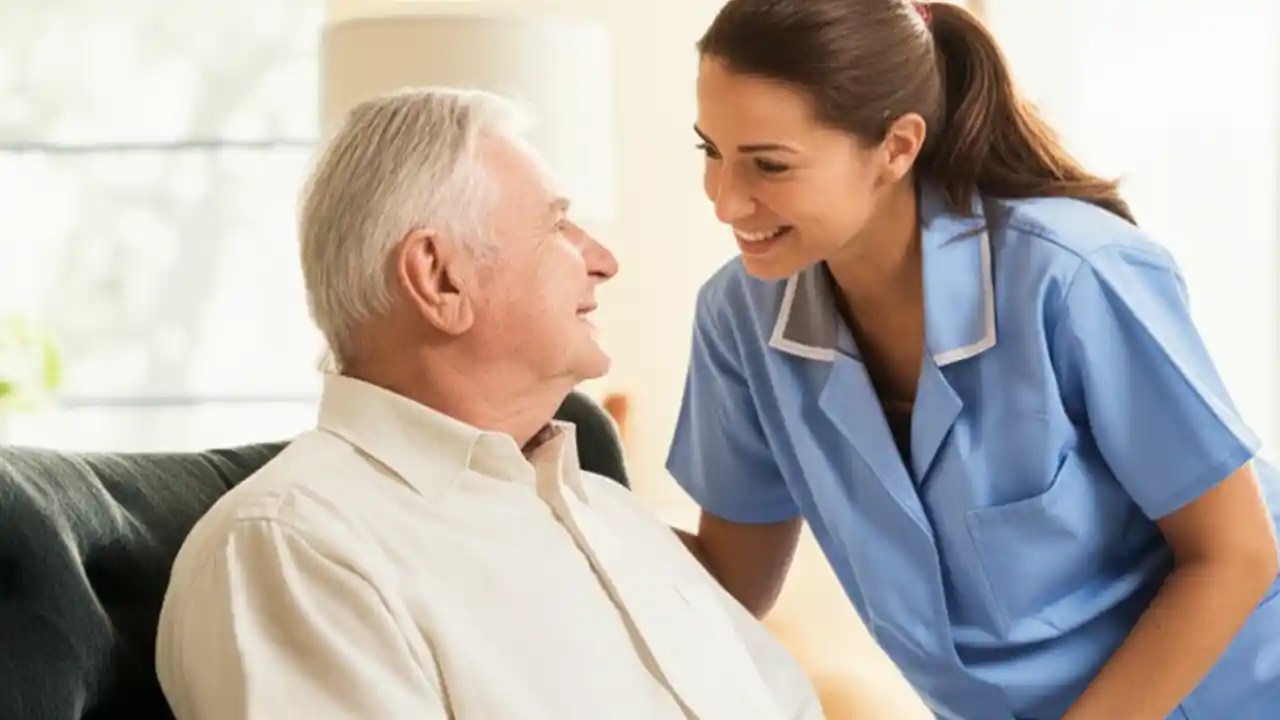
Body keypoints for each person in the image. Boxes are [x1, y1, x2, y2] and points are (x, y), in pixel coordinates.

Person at [669, 2, 1280, 719]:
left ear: (897, 148)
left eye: (768, 164)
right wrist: (548, 511)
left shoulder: (1073, 275)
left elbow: (1236, 554)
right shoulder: (739, 319)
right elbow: (733, 580)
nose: (724, 200)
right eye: (710, 150)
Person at [155, 87, 822, 720]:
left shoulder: (614, 514)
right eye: (559, 225)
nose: (604, 260)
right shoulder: (296, 548)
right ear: (440, 277)